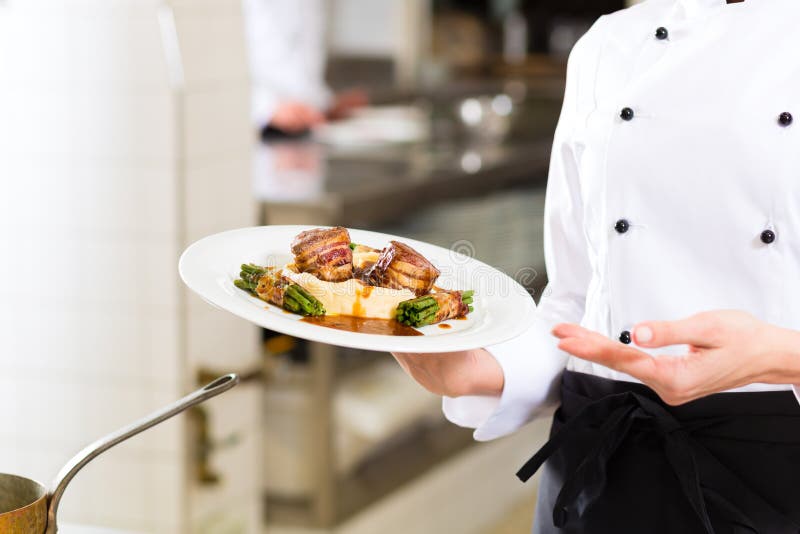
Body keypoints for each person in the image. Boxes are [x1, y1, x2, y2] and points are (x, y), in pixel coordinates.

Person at [393, 0, 800, 532]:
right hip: (597, 474)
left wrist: (780, 357)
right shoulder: (607, 46)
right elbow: (576, 301)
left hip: (773, 474)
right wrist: (481, 369)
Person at [242, 0, 367, 135]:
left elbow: (302, 70)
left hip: (305, 127)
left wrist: (328, 105)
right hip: (261, 127)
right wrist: (266, 109)